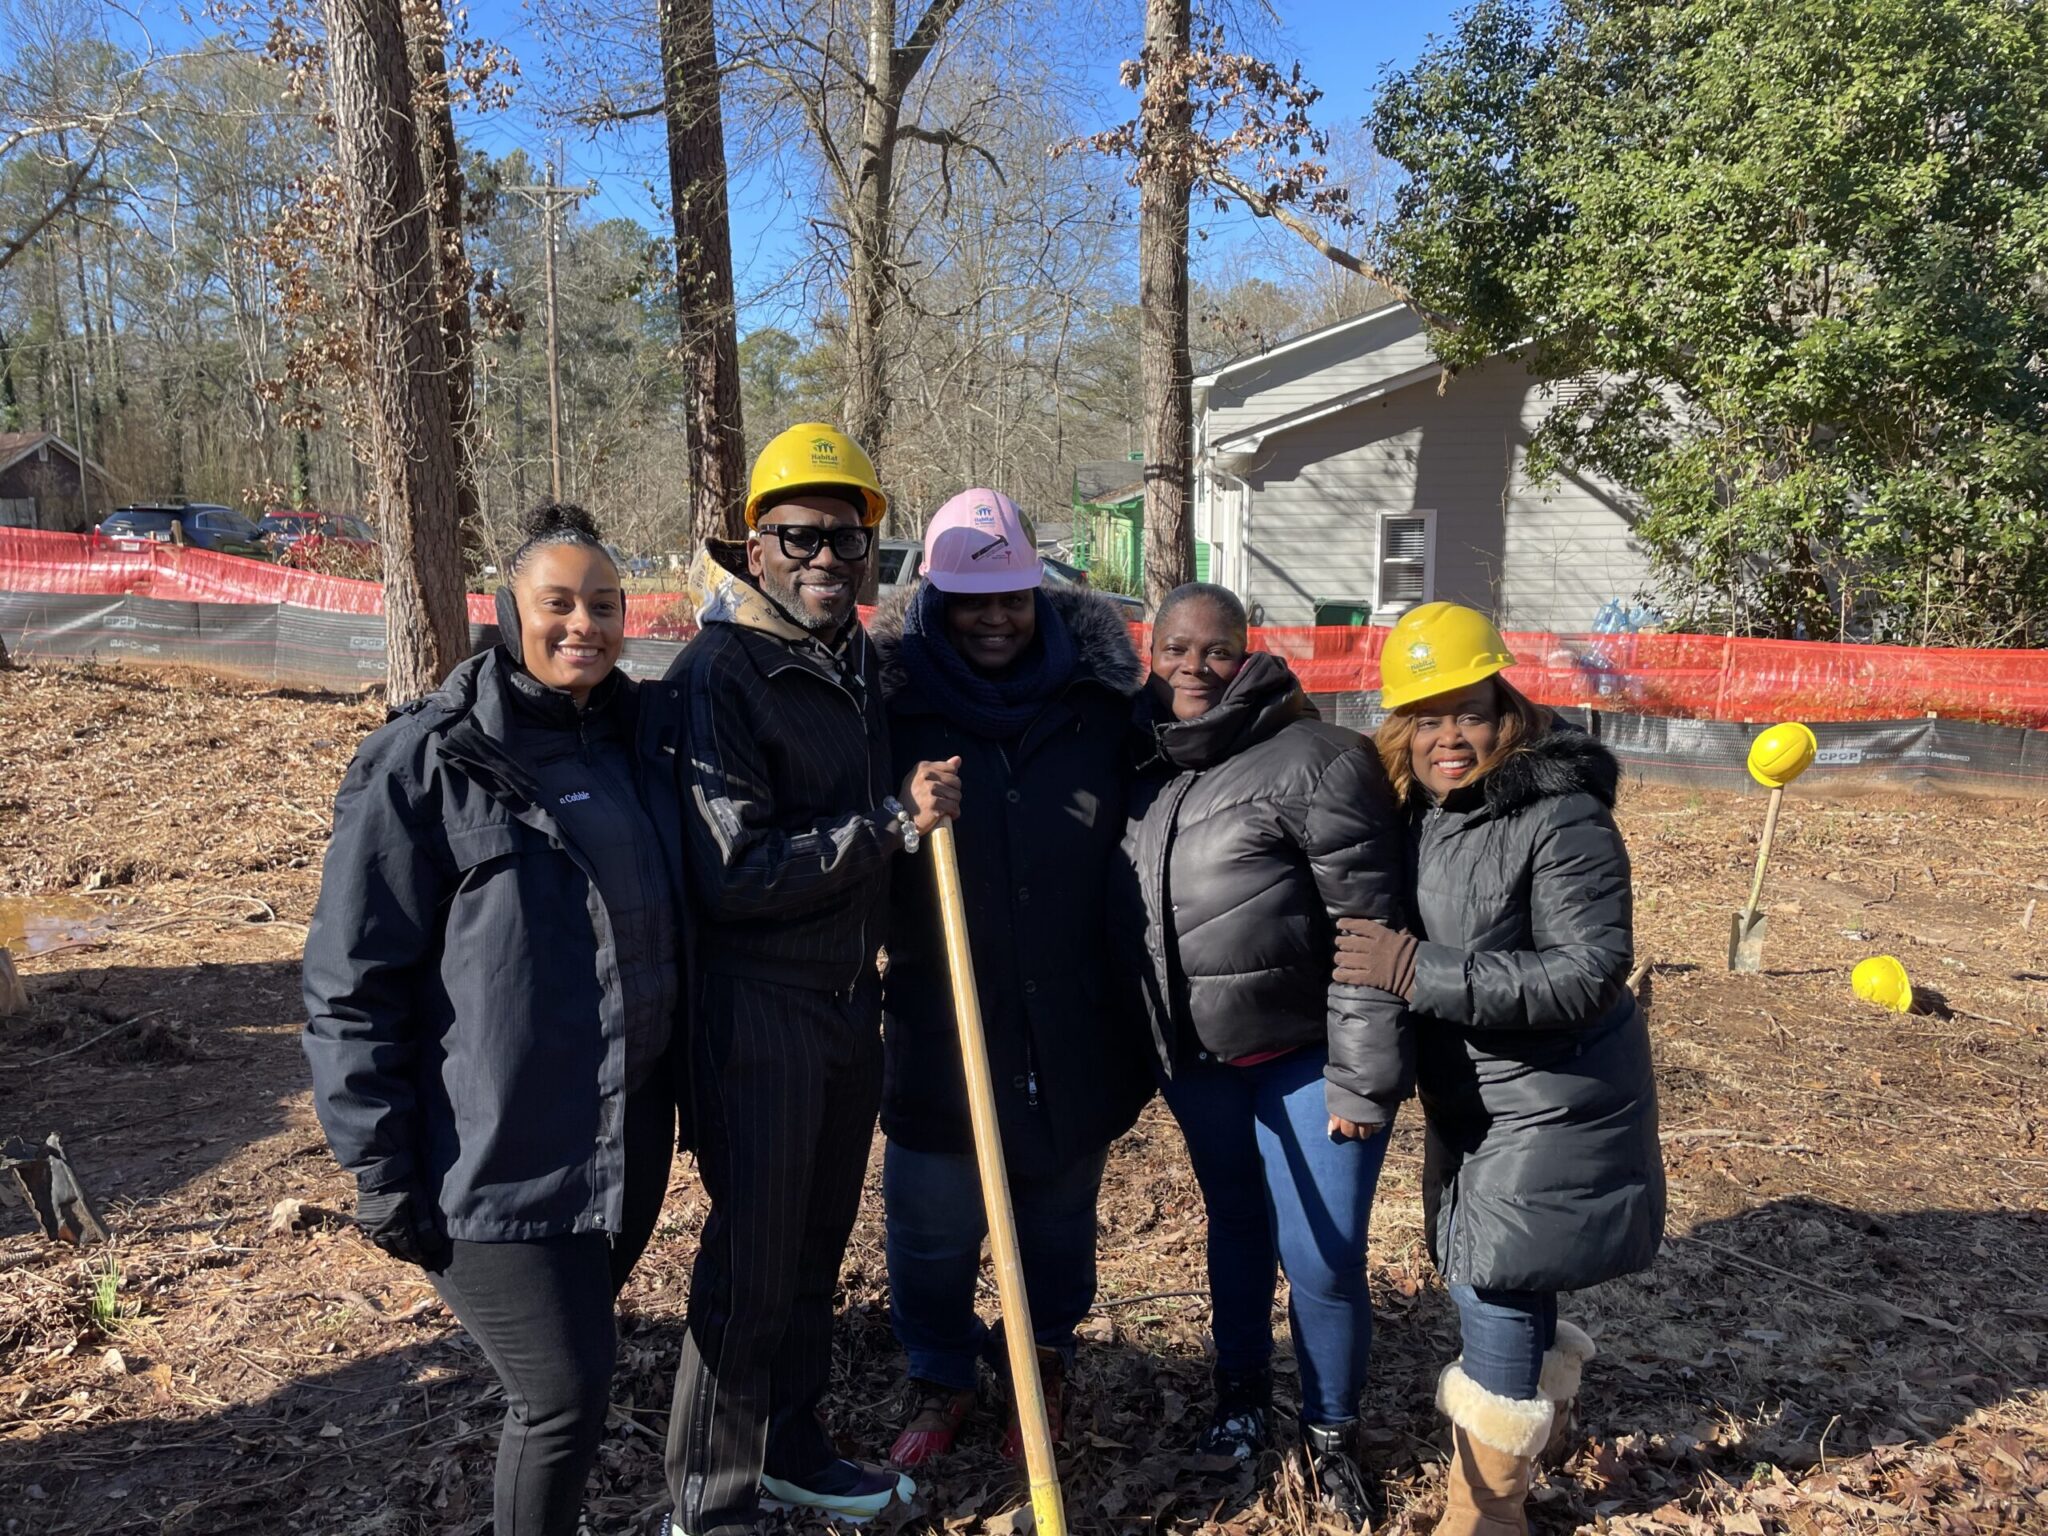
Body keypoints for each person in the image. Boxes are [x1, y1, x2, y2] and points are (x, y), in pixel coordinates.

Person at [302, 503, 687, 1536]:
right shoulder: (426, 761)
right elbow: (351, 981)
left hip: (620, 1140)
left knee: (573, 1376)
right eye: (557, 603)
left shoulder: (636, 746)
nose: (583, 625)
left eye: (604, 605)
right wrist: (378, 1165)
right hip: (488, 1157)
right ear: (508, 611)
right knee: (561, 1397)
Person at [659, 423, 961, 1536]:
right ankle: (704, 1501)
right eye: (799, 535)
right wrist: (889, 825)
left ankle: (788, 1449)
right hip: (757, 1009)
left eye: (847, 536)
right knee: (752, 1262)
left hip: (846, 1003)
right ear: (755, 547)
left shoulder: (855, 661)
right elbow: (732, 871)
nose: (825, 556)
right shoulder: (719, 673)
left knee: (813, 1252)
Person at [1333, 602, 1665, 1536]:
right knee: (1515, 1268)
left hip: (1556, 1091)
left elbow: (1589, 972)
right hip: (1479, 1091)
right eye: (1424, 717)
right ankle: (1537, 1436)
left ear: (1505, 709)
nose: (1447, 736)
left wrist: (1415, 970)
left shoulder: (1560, 815)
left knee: (1495, 1280)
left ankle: (1485, 1514)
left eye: (1468, 713)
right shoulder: (1423, 809)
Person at [1117, 582, 1411, 1527]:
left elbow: (1370, 928)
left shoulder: (1319, 760)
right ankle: (1240, 1401)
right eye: (1176, 649)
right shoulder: (1141, 761)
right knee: (1237, 1226)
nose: (1195, 668)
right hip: (1201, 1065)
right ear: (1151, 653)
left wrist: (1362, 1078)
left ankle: (1332, 1434)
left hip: (1308, 1061)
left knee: (1323, 1254)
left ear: (1248, 654)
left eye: (1217, 650)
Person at [868, 489, 1152, 1467]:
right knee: (931, 1227)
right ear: (935, 601)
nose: (994, 618)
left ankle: (1041, 1361)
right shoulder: (889, 710)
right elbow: (841, 844)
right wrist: (899, 816)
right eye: (970, 601)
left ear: (1039, 594)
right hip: (942, 1020)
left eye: (1012, 598)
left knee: (1057, 1226)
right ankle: (940, 1372)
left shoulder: (1098, 706)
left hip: (1070, 1021)